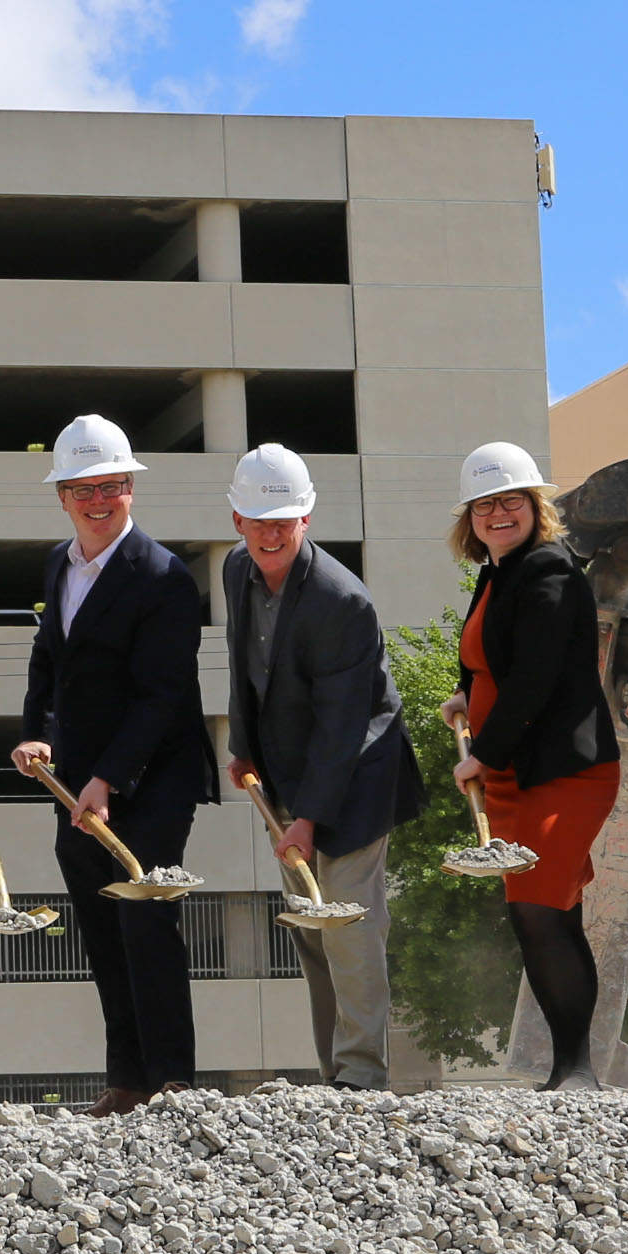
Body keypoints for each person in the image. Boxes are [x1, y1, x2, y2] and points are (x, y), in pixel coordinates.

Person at [14, 412, 213, 1114]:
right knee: (101, 927)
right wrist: (38, 732)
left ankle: (172, 1080)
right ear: (62, 497)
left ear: (132, 488)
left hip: (151, 781)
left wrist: (108, 779)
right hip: (77, 783)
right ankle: (126, 1082)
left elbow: (161, 698)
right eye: (83, 490)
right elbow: (49, 662)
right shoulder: (57, 564)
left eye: (113, 487)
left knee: (145, 922)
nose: (99, 502)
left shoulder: (163, 578)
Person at [221, 442, 424, 1093]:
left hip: (356, 776)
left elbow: (343, 728)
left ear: (307, 519)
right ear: (238, 523)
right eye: (260, 521)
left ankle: (363, 1074)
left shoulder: (342, 602)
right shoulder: (235, 570)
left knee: (347, 923)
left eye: (286, 520)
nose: (273, 533)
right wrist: (243, 746)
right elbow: (245, 666)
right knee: (313, 929)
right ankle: (333, 1070)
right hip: (282, 772)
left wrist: (308, 819)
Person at [442, 442, 619, 1090]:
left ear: (533, 507)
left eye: (511, 500)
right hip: (516, 774)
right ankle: (567, 1068)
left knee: (539, 908)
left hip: (562, 773)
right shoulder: (498, 572)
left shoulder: (547, 570)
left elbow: (537, 678)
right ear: (470, 517)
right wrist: (466, 695)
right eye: (485, 504)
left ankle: (575, 1069)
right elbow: (495, 661)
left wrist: (482, 755)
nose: (498, 512)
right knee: (546, 912)